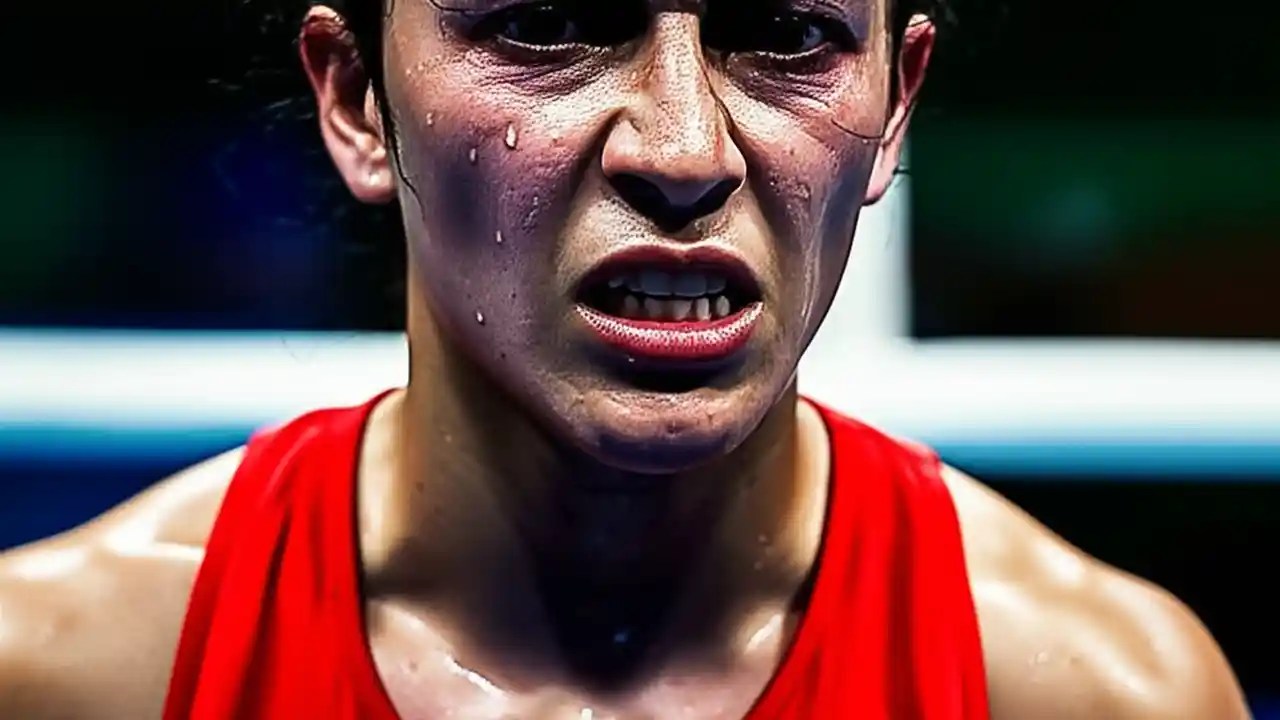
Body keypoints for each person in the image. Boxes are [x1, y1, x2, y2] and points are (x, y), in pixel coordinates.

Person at [0, 0, 1252, 718]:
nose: (682, 146)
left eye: (788, 35)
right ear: (355, 102)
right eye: (547, 25)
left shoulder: (1093, 693)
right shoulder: (66, 671)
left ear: (895, 110)